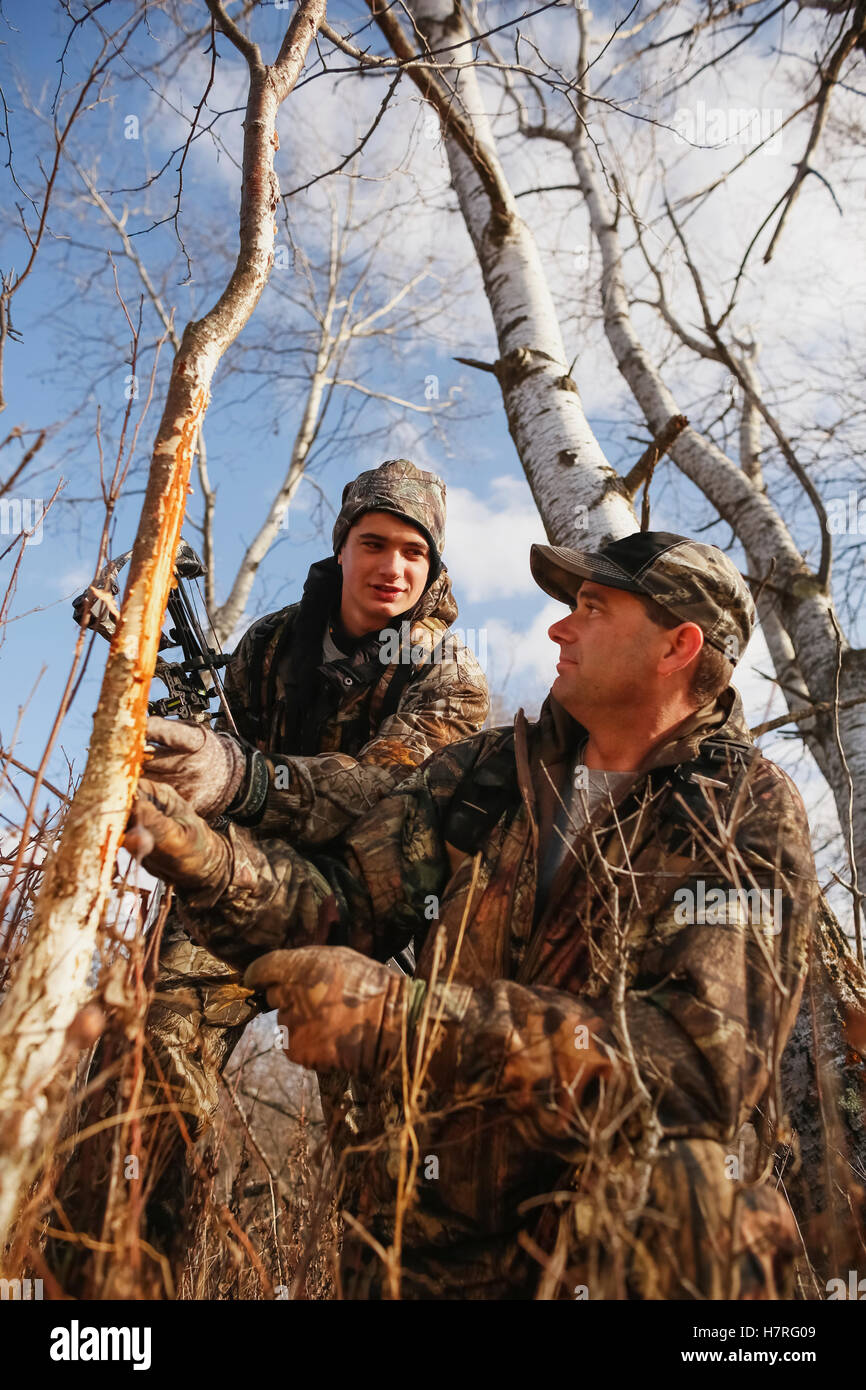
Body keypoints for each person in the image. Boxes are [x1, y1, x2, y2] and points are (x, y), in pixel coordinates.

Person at [130, 531, 818, 1299]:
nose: (560, 626)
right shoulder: (494, 773)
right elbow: (345, 904)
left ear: (677, 646)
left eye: (592, 608)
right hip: (431, 1259)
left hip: (626, 1263)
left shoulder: (743, 813)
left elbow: (695, 1065)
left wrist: (410, 1024)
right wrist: (202, 857)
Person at [65, 459, 488, 1272]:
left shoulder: (450, 669)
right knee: (139, 1079)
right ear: (343, 547)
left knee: (391, 1149)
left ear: (434, 567)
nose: (392, 568)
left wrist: (243, 775)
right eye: (374, 544)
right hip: (241, 889)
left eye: (414, 552)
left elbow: (389, 791)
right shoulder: (269, 645)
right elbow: (214, 763)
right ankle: (115, 1296)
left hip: (372, 919)